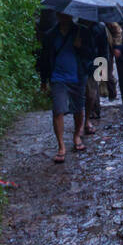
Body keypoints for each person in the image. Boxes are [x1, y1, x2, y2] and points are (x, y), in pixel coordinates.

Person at [37, 13, 96, 163]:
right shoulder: (51, 35)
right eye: (61, 14)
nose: (64, 17)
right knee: (58, 110)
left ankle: (77, 135)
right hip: (58, 77)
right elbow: (44, 57)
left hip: (77, 76)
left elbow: (91, 54)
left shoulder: (82, 32)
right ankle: (61, 146)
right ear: (57, 15)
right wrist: (44, 80)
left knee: (78, 108)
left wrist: (80, 47)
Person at [84, 19, 109, 134]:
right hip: (80, 64)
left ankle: (93, 112)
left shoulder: (100, 27)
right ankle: (84, 118)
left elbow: (104, 50)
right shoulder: (76, 27)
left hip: (94, 63)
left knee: (92, 92)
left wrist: (103, 70)